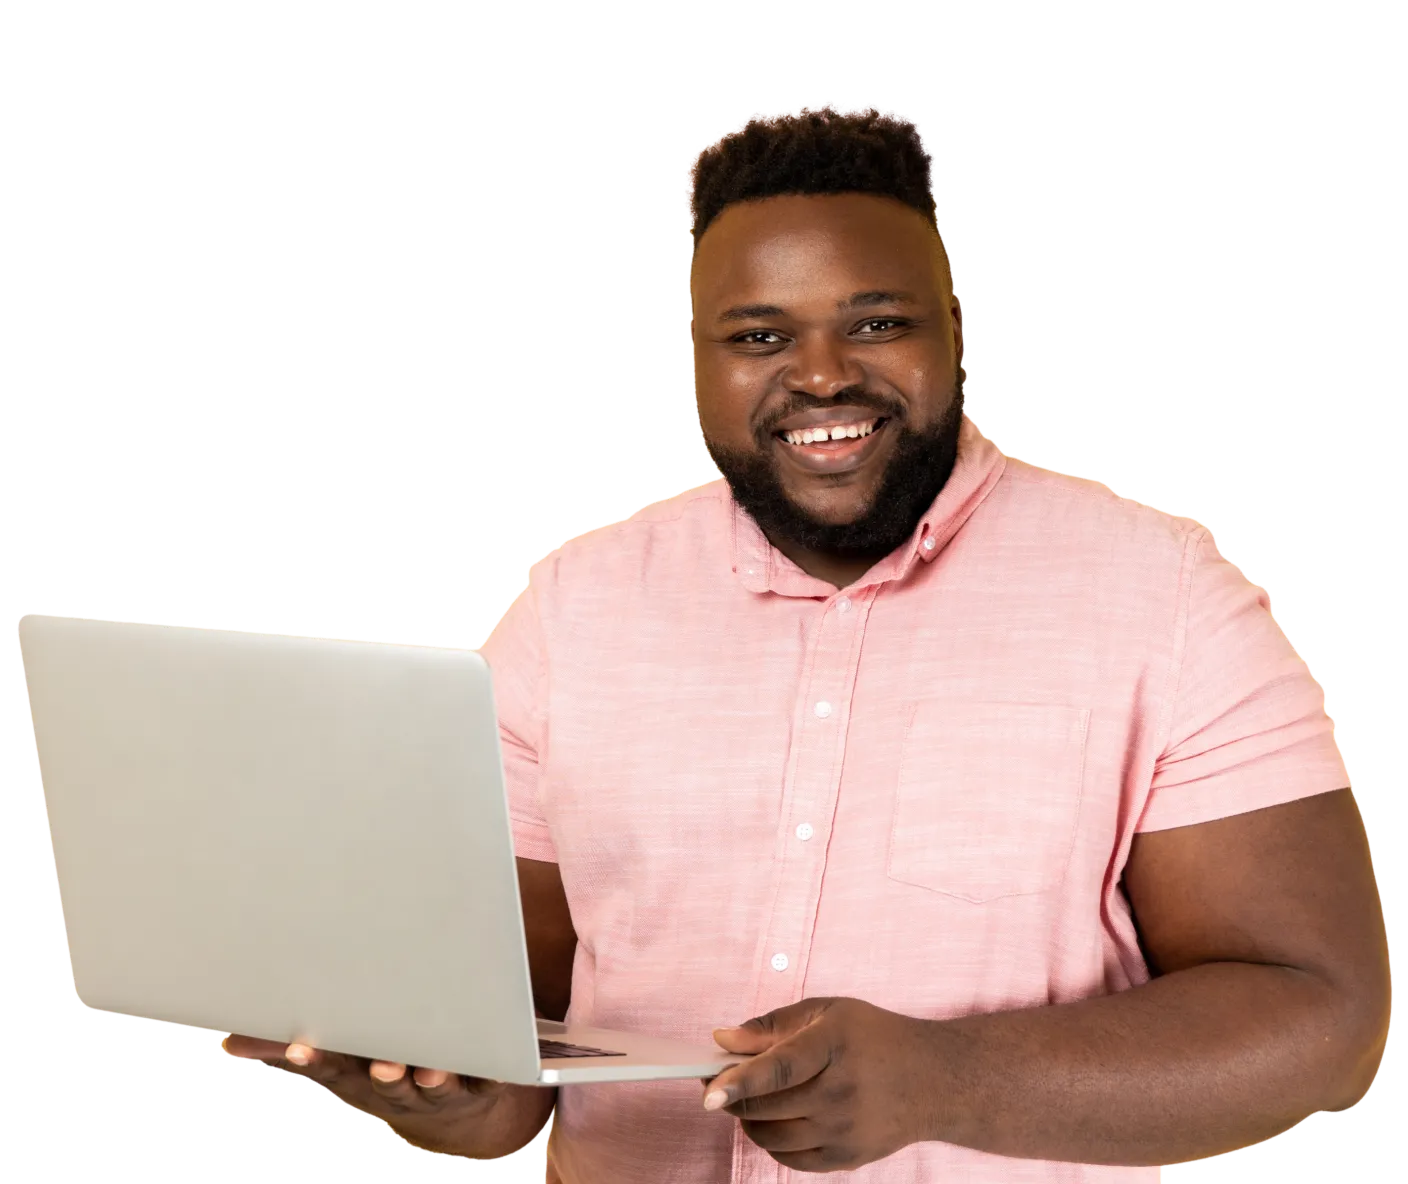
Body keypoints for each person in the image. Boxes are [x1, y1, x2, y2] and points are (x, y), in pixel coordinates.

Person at [227, 102, 1389, 1179]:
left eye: (875, 321)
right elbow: (520, 1053)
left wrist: (948, 1078)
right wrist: (439, 1093)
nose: (822, 373)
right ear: (696, 361)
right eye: (758, 334)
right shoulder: (570, 604)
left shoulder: (1164, 591)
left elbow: (1321, 1024)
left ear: (956, 333)